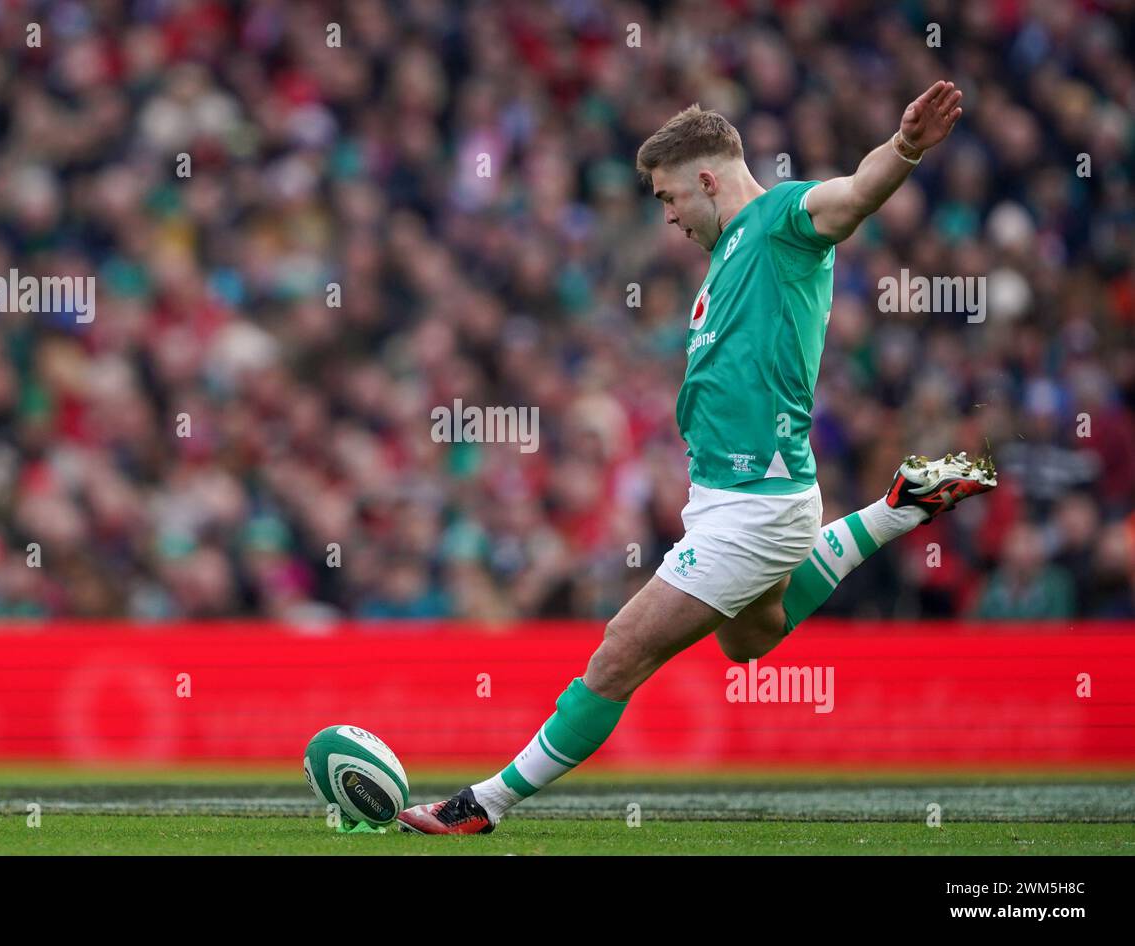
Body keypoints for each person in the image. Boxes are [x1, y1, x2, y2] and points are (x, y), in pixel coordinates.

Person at [397, 81, 996, 834]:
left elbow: (853, 197)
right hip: (728, 498)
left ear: (707, 179)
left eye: (668, 198)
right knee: (748, 640)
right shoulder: (727, 259)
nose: (670, 216)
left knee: (620, 652)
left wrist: (905, 147)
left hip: (756, 507)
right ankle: (896, 508)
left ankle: (482, 805)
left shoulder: (783, 219)